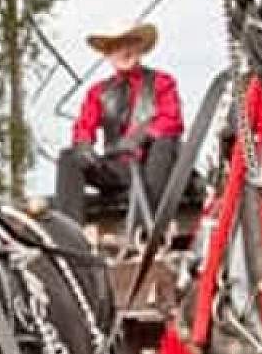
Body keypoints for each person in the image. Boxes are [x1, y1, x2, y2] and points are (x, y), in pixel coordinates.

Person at [55, 22, 184, 223]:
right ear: (108, 54)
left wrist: (142, 136)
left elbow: (172, 119)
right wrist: (83, 145)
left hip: (153, 167)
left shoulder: (162, 81)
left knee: (165, 142)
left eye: (129, 44)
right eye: (115, 47)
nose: (123, 51)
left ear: (139, 48)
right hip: (118, 169)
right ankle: (68, 234)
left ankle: (146, 226)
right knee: (69, 157)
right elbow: (84, 126)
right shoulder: (98, 92)